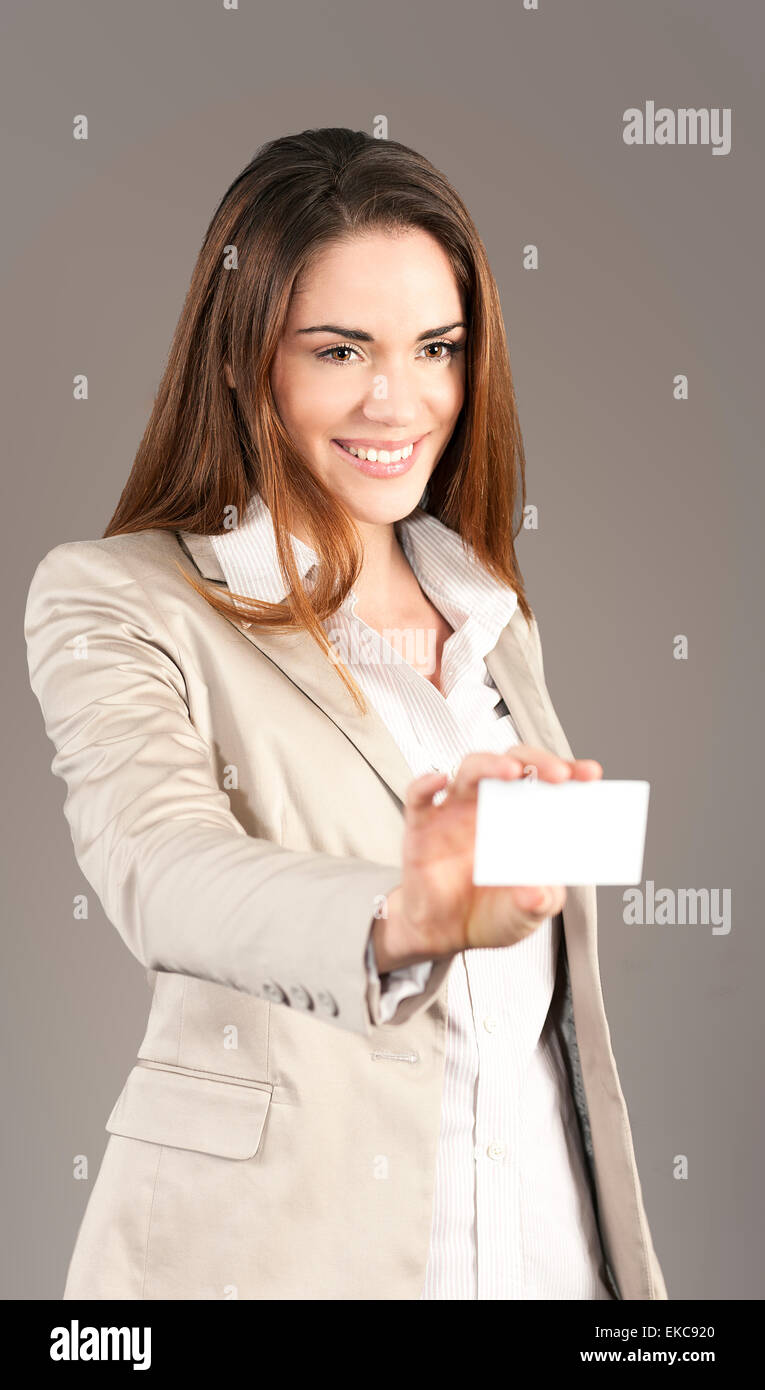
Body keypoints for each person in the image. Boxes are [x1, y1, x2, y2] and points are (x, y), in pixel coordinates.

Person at [24, 126, 667, 1301]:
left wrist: (559, 845)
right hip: (279, 1264)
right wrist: (398, 916)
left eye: (437, 348)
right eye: (340, 350)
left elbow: (532, 962)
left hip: (543, 1261)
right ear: (240, 357)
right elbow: (161, 868)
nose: (399, 399)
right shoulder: (121, 598)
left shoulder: (494, 613)